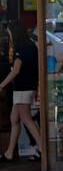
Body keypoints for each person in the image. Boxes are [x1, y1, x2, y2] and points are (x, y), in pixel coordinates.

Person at [0, 20, 41, 162]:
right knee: (14, 118)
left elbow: (16, 70)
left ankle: (42, 149)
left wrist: (1, 85)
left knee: (25, 118)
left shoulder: (20, 48)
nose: (9, 35)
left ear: (14, 32)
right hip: (29, 86)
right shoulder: (32, 46)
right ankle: (10, 152)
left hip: (22, 88)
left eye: (10, 32)